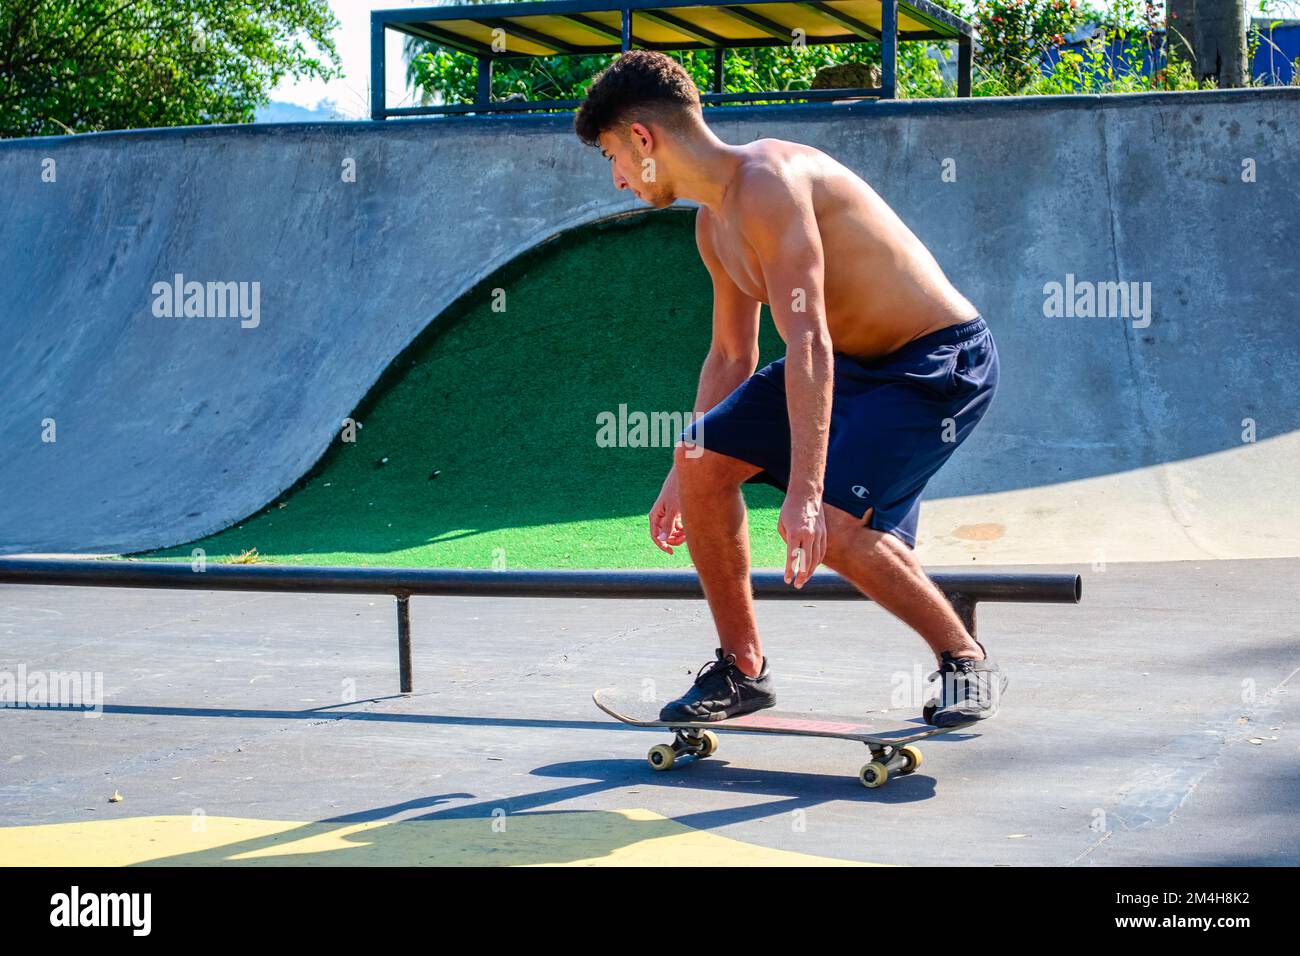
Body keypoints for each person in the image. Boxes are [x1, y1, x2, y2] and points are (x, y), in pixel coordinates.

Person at [574, 51, 1004, 728]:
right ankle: (743, 671)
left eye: (611, 157)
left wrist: (806, 493)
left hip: (933, 362)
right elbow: (730, 354)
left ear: (644, 138)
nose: (620, 179)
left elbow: (807, 341)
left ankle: (965, 659)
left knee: (832, 531)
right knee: (700, 463)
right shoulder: (712, 224)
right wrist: (680, 468)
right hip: (851, 365)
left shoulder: (770, 182)